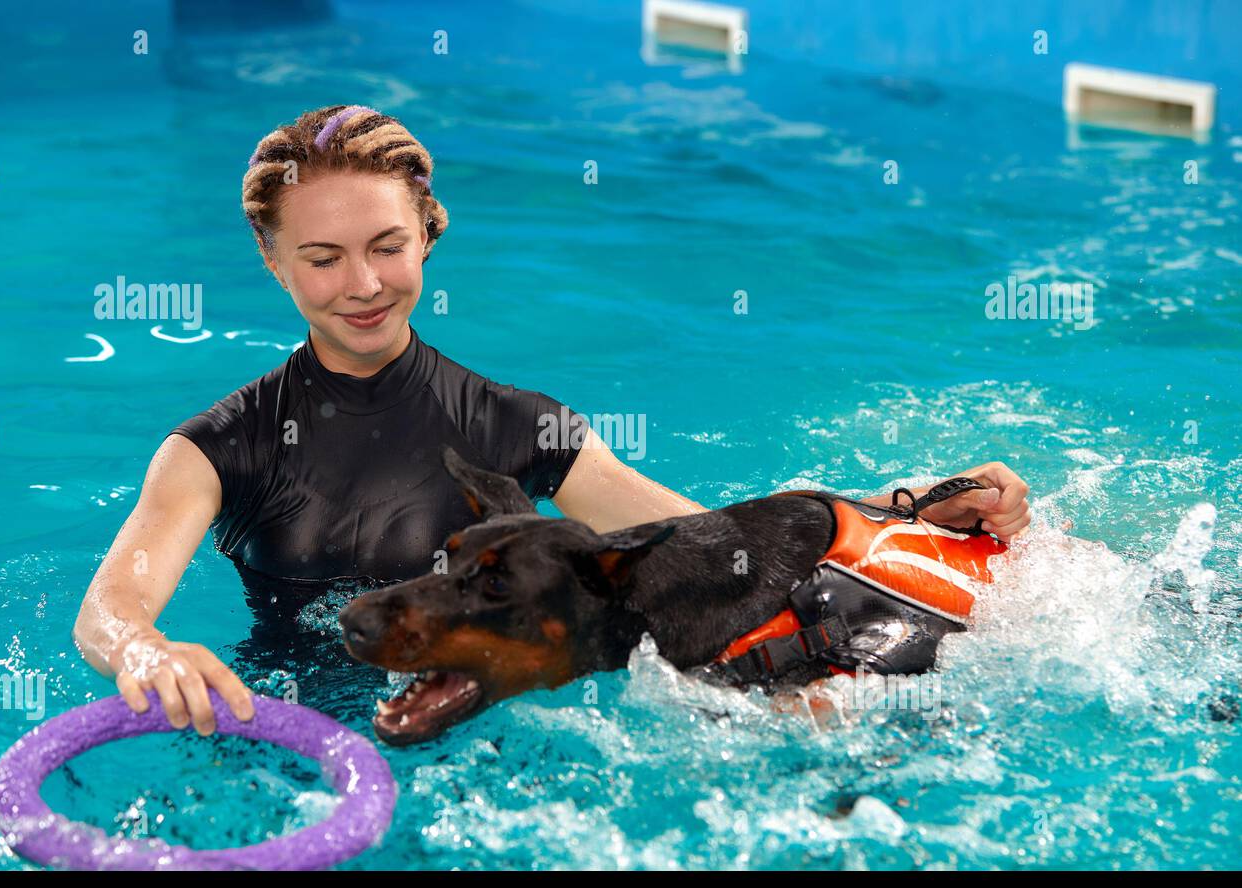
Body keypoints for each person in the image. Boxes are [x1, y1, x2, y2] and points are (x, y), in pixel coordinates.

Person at [72, 105, 1031, 736]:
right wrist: (148, 650)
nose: (362, 285)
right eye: (322, 257)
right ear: (272, 261)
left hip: (489, 739)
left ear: (428, 239)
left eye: (388, 246)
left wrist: (902, 506)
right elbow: (108, 609)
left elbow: (700, 538)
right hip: (283, 737)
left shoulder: (516, 426)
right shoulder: (214, 449)